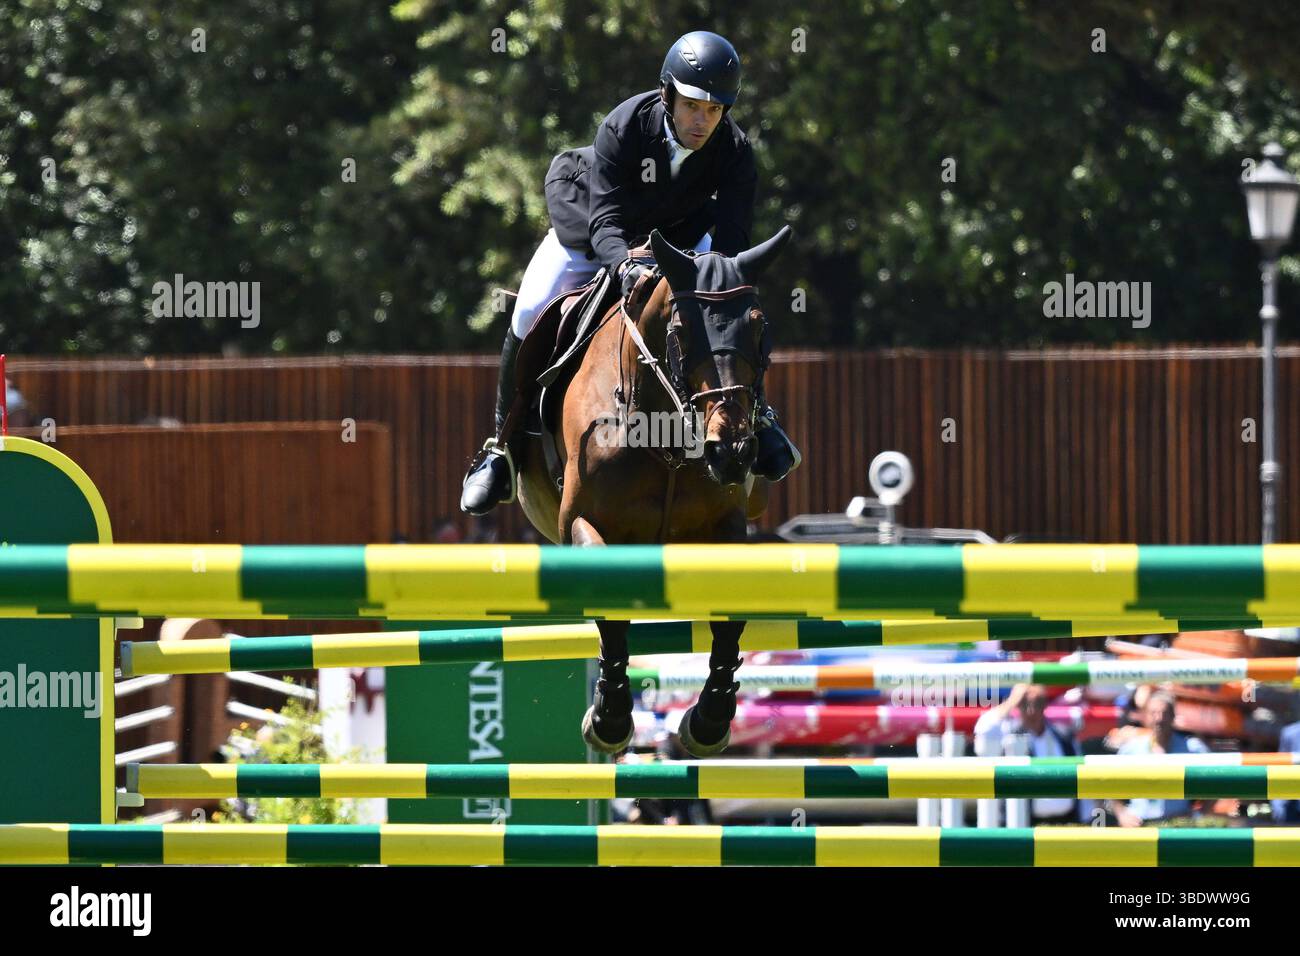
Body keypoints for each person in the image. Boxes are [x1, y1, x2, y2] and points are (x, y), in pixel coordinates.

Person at [460, 30, 801, 516]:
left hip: (676, 240)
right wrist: (624, 265)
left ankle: (759, 419)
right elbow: (606, 223)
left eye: (714, 110)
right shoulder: (624, 126)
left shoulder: (735, 151)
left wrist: (714, 284)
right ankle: (502, 448)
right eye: (692, 106)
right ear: (667, 96)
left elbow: (729, 244)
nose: (702, 121)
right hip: (591, 230)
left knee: (731, 307)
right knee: (531, 308)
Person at [973, 683, 1084, 824]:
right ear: (1018, 706)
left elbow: (1080, 771)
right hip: (1023, 823)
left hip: (1066, 822)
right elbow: (983, 730)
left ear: (1045, 705)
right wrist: (1011, 702)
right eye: (1025, 704)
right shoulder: (1008, 734)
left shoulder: (1063, 735)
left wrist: (1086, 818)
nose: (1031, 710)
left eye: (1037, 703)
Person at [1109, 689, 1208, 826]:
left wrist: (1201, 812)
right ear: (1145, 717)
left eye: (1164, 713)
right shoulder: (1131, 749)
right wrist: (1122, 814)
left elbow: (1217, 781)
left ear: (1173, 716)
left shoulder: (1192, 748)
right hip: (1140, 824)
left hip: (1177, 823)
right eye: (1154, 713)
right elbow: (1109, 784)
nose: (1159, 719)